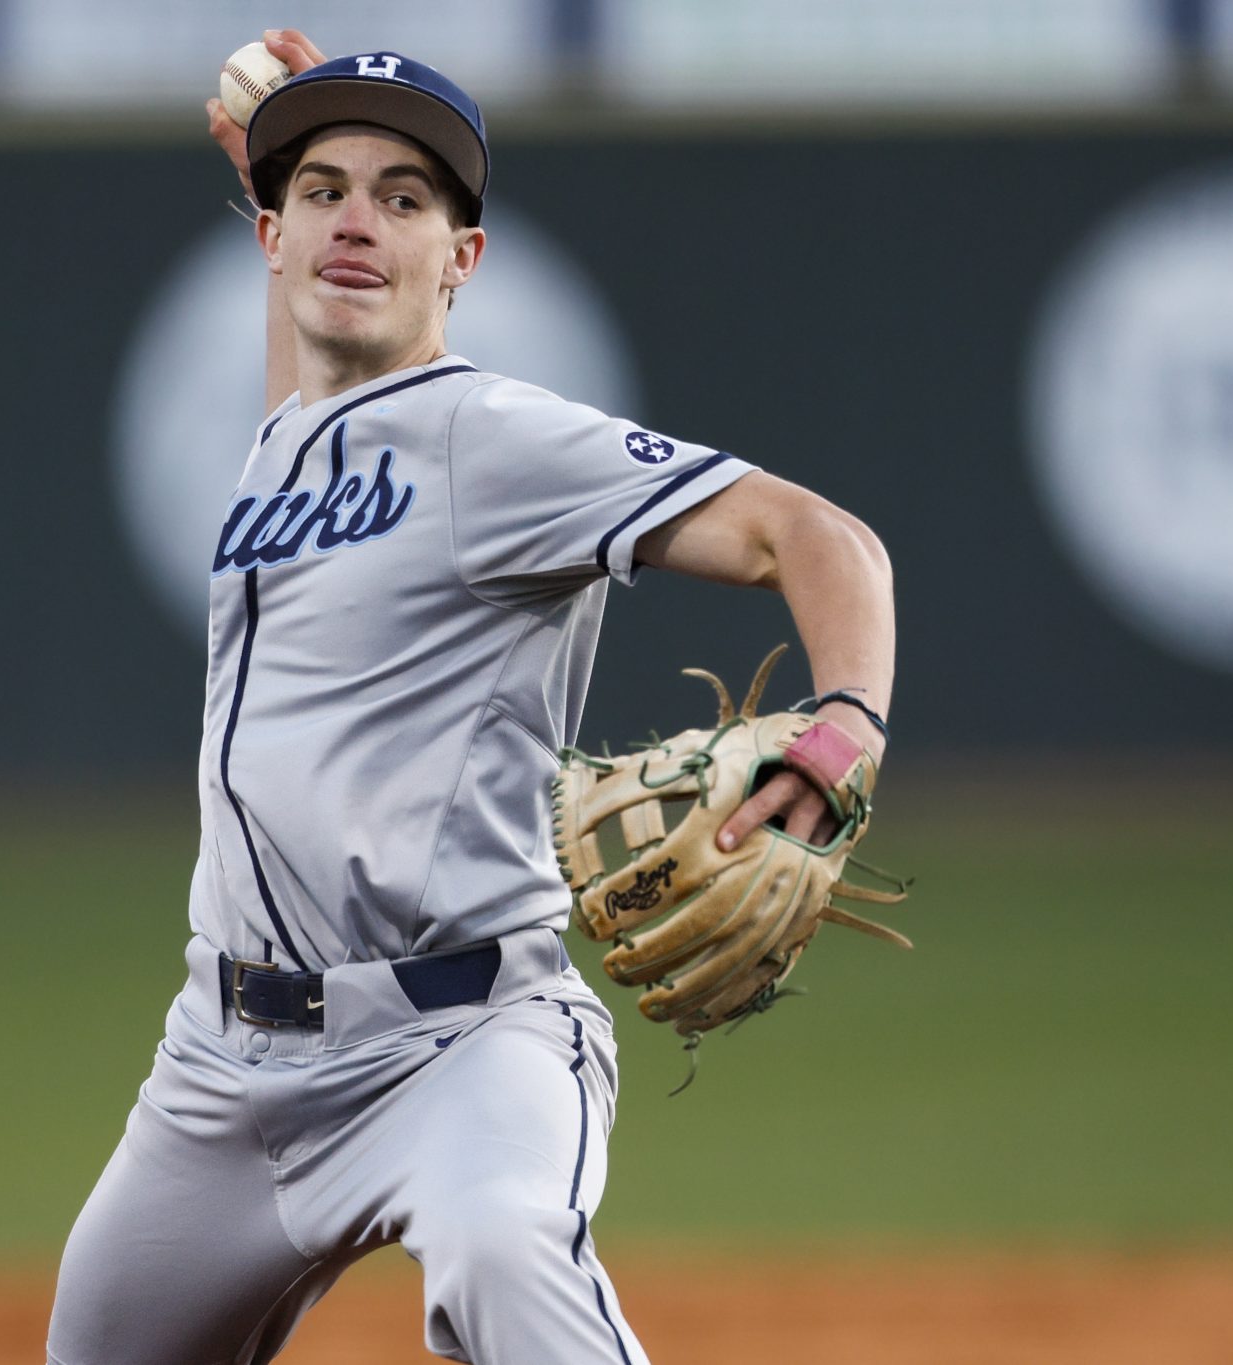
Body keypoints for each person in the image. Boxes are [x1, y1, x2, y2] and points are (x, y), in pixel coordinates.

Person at [45, 30, 897, 1365]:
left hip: (460, 1043)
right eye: (323, 191)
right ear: (267, 234)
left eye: (404, 199)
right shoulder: (286, 445)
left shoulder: (495, 438)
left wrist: (843, 730)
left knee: (507, 1255)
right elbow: (320, 390)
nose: (357, 223)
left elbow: (818, 536)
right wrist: (264, 169)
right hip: (222, 1065)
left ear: (465, 258)